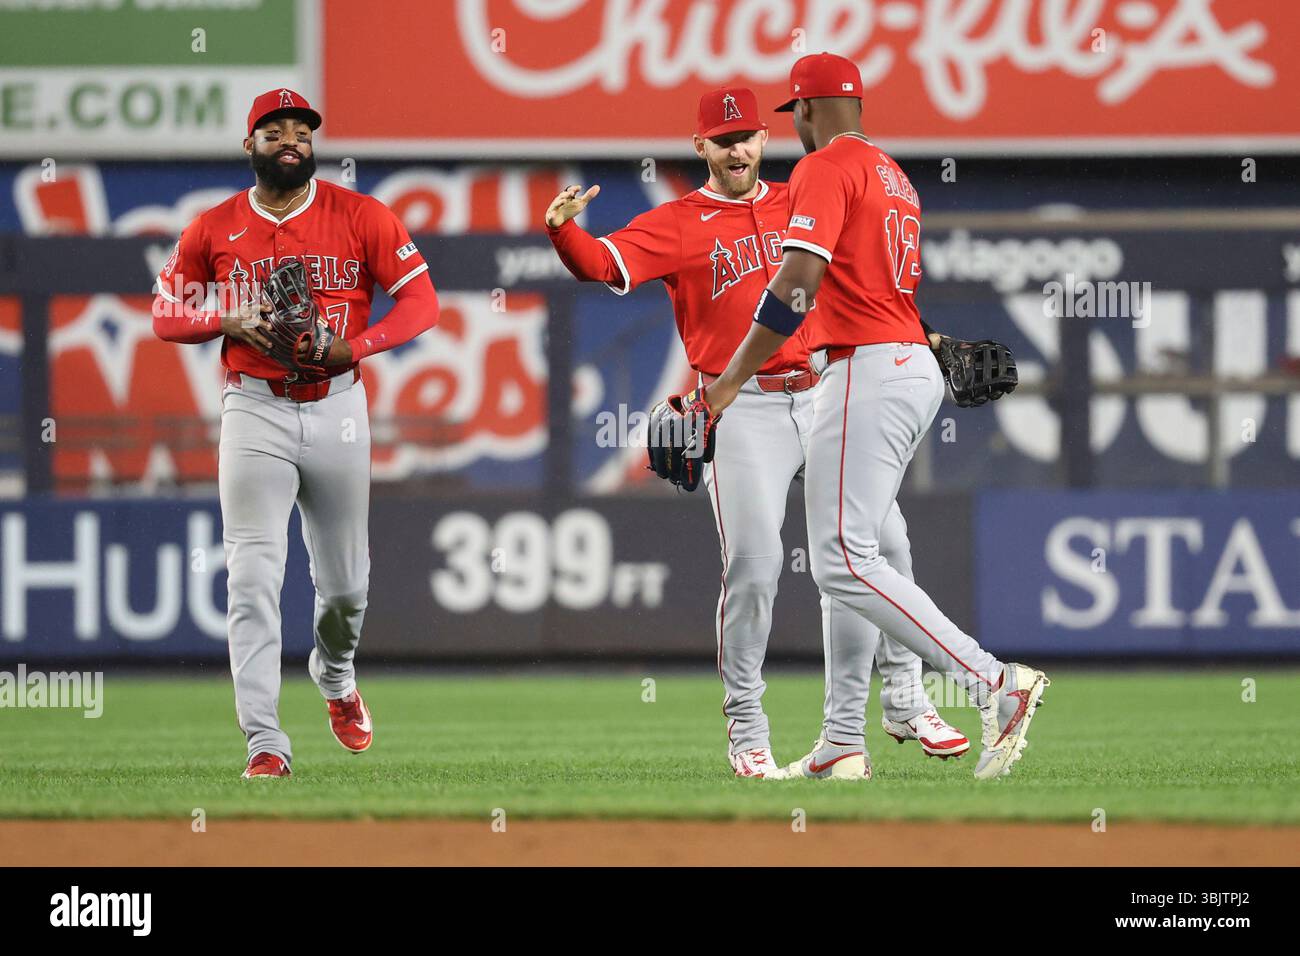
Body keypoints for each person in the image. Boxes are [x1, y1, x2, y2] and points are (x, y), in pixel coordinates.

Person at [546, 87, 968, 780]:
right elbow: (602, 265)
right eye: (723, 139)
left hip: (827, 389)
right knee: (755, 567)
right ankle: (747, 723)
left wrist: (930, 337)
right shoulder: (679, 222)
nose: (737, 148)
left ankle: (905, 698)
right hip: (745, 409)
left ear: (763, 142)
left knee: (883, 543)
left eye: (747, 136)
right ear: (701, 149)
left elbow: (865, 282)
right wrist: (565, 232)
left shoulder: (800, 200)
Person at [694, 55, 1049, 781]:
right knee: (858, 553)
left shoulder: (827, 167)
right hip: (901, 361)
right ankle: (840, 740)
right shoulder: (895, 175)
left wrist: (730, 379)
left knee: (843, 559)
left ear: (805, 111)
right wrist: (933, 344)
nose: (791, 128)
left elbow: (796, 287)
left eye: (792, 114)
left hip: (865, 371)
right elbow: (876, 291)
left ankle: (994, 685)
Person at [152, 89, 440, 778]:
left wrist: (357, 346)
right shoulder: (212, 228)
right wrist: (221, 320)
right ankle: (264, 743)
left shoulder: (362, 215)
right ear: (249, 145)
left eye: (302, 131)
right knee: (251, 576)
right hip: (253, 406)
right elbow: (165, 313)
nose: (291, 140)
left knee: (346, 588)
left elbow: (421, 303)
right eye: (274, 130)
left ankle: (335, 675)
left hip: (338, 405)